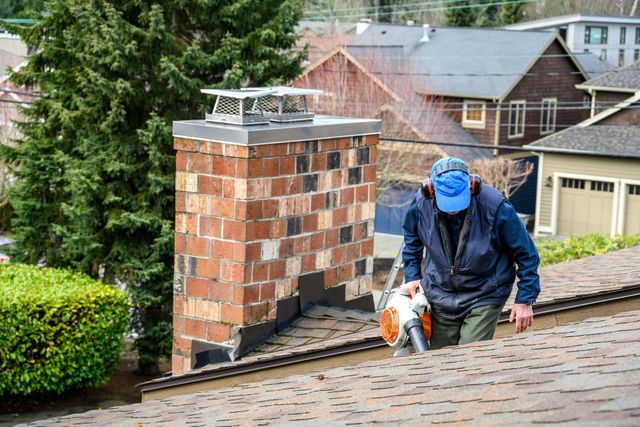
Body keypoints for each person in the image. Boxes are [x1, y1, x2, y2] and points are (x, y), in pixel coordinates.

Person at [401, 156, 540, 350]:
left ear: (471, 186)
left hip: (485, 292)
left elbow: (526, 253)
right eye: (447, 202)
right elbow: (411, 238)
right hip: (440, 293)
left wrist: (525, 299)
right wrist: (413, 275)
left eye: (458, 201)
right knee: (438, 359)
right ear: (431, 190)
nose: (453, 209)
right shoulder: (421, 204)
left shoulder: (495, 207)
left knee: (468, 354)